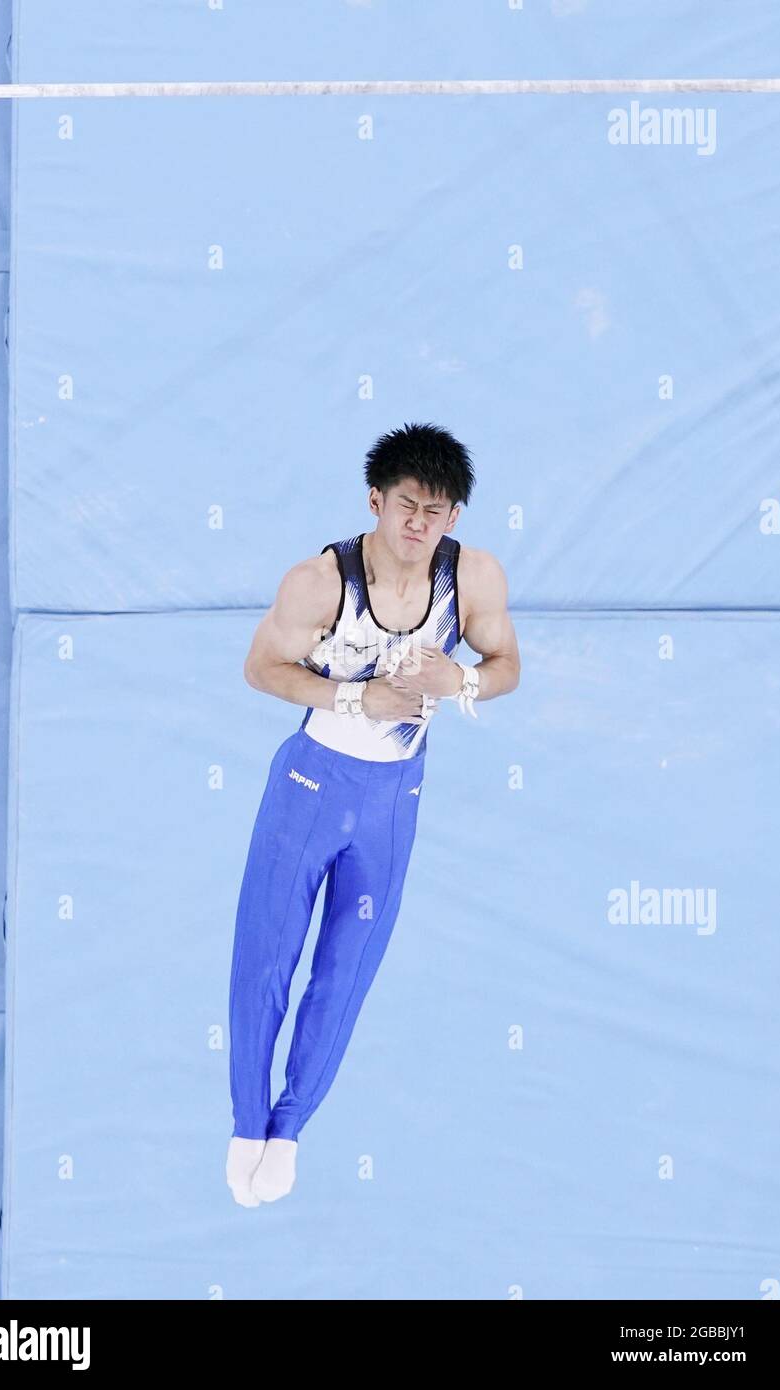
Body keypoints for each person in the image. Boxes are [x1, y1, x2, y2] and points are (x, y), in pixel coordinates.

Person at [226, 422, 520, 1205]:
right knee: (266, 959)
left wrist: (455, 682)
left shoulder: (474, 578)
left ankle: (288, 1128)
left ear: (454, 517)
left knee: (344, 977)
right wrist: (359, 695)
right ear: (375, 502)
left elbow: (507, 668)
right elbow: (261, 668)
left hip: (393, 801)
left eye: (435, 510)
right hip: (310, 785)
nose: (418, 523)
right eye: (405, 506)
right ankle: (246, 1123)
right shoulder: (320, 583)